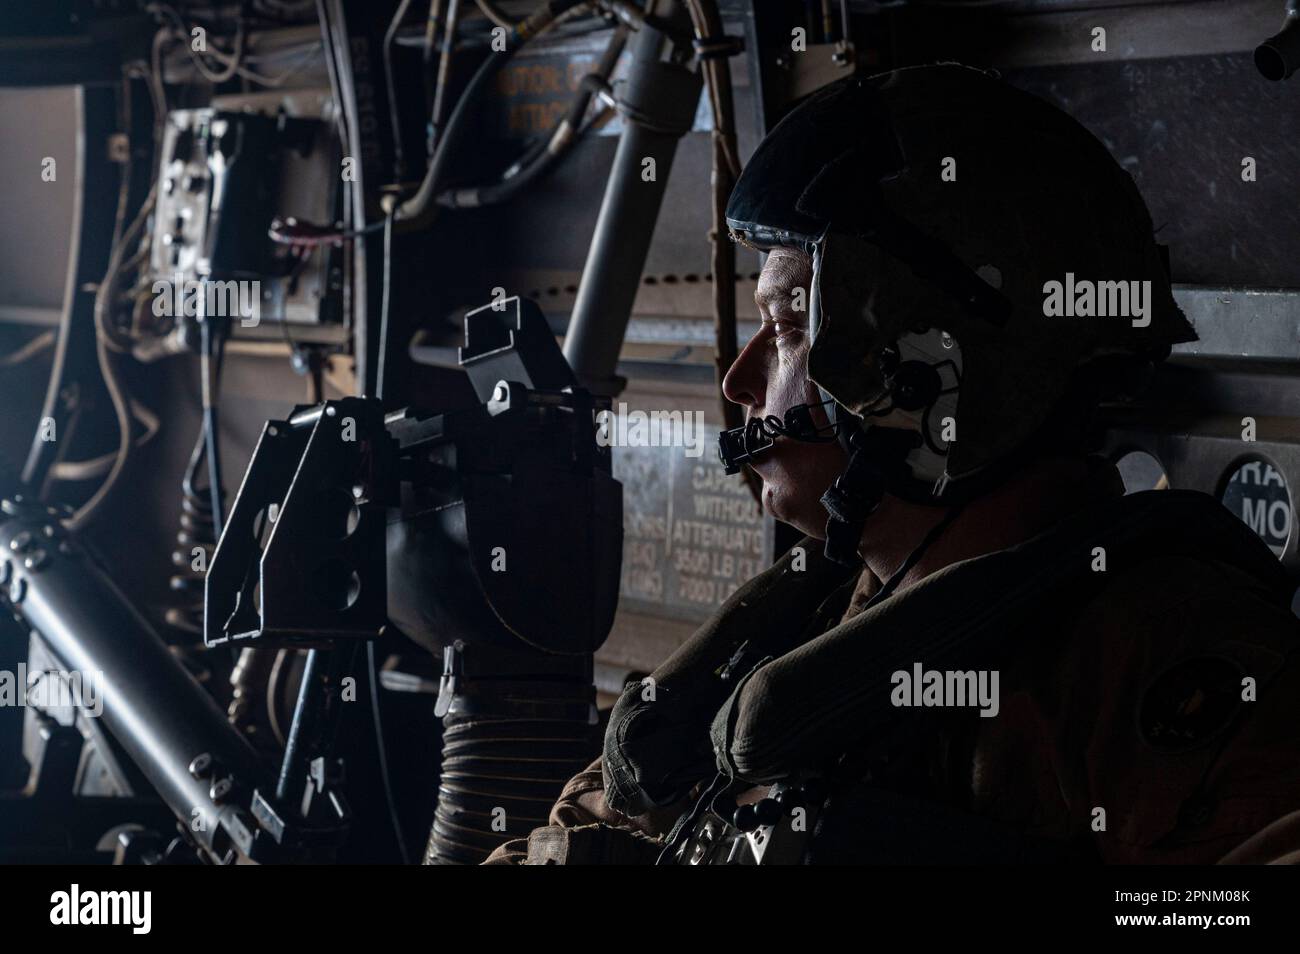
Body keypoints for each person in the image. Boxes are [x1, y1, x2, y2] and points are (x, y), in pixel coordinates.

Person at [485, 63, 1300, 865]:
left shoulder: (1167, 660)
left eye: (790, 328)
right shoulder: (815, 624)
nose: (738, 381)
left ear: (927, 367)